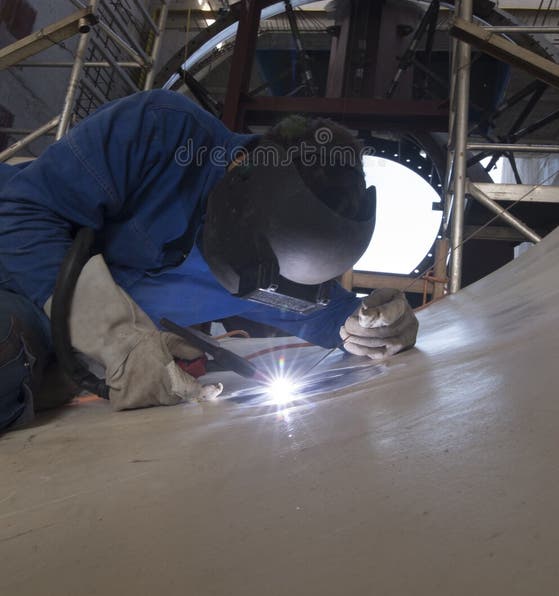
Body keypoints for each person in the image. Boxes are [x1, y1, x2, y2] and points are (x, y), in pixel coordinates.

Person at [0, 89, 418, 431]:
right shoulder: (160, 128)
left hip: (45, 339)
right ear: (241, 172)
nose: (270, 288)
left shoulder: (271, 269)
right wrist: (118, 341)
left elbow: (324, 313)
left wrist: (370, 326)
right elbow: (25, 214)